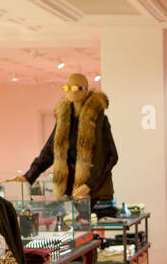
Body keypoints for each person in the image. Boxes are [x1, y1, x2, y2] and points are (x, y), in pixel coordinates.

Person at [8, 73, 117, 201]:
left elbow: (112, 156)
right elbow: (49, 152)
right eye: (67, 88)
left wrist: (89, 185)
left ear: (85, 90)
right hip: (69, 191)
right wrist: (28, 176)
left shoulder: (99, 121)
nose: (71, 92)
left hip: (95, 193)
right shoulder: (63, 120)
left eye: (75, 88)